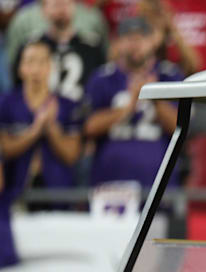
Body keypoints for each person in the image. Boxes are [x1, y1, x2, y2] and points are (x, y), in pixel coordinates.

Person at [81, 16, 184, 188]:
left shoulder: (169, 75)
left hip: (159, 181)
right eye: (129, 38)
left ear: (153, 42)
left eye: (141, 38)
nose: (135, 44)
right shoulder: (102, 77)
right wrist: (128, 106)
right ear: (118, 43)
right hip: (110, 181)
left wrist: (154, 97)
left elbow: (179, 127)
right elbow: (88, 128)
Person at [0, 38, 81, 208]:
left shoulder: (68, 105)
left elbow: (71, 155)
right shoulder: (6, 104)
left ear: (51, 67)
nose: (36, 69)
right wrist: (36, 130)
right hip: (15, 193)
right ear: (20, 68)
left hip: (58, 195)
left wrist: (51, 127)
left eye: (42, 62)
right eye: (30, 61)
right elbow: (5, 149)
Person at [35, 0, 106, 105]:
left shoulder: (92, 46)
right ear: (43, 10)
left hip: (83, 114)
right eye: (56, 4)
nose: (62, 9)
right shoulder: (32, 47)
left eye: (66, 3)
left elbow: (102, 85)